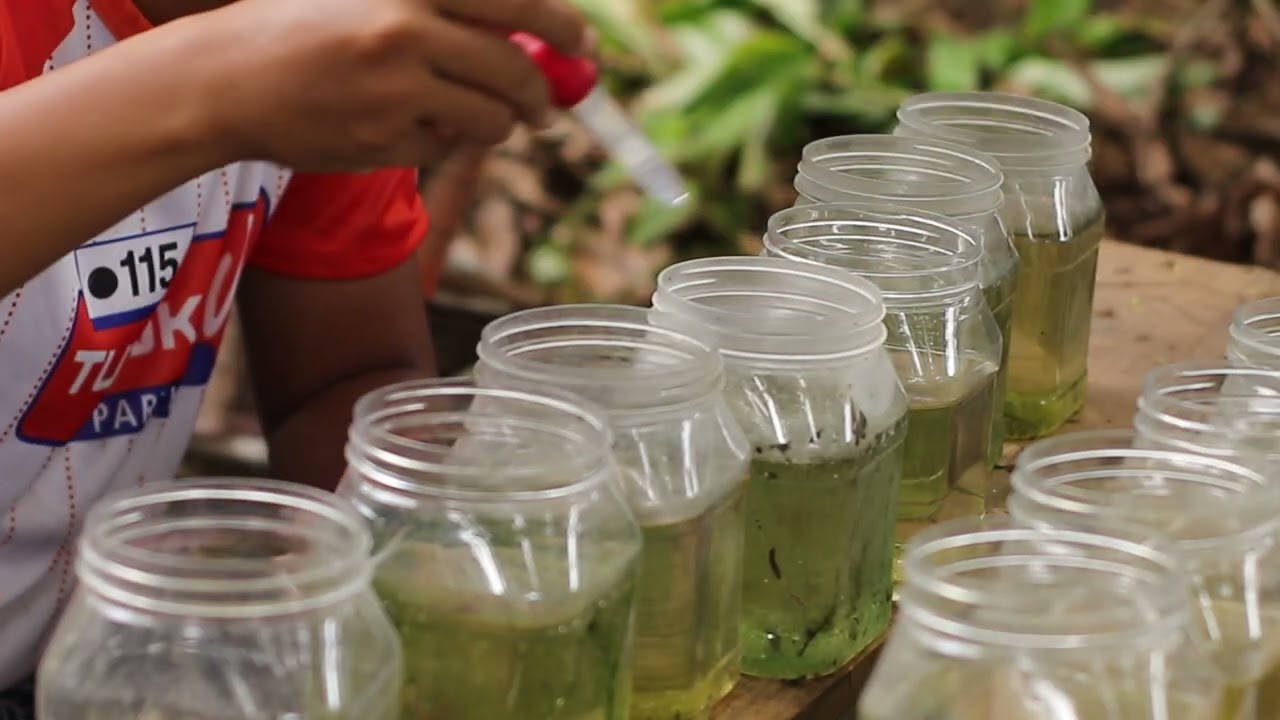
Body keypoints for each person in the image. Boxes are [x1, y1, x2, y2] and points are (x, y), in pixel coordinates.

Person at [0, 0, 594, 714]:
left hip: (81, 660)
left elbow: (345, 377)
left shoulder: (322, 48)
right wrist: (215, 89)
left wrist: (438, 537)